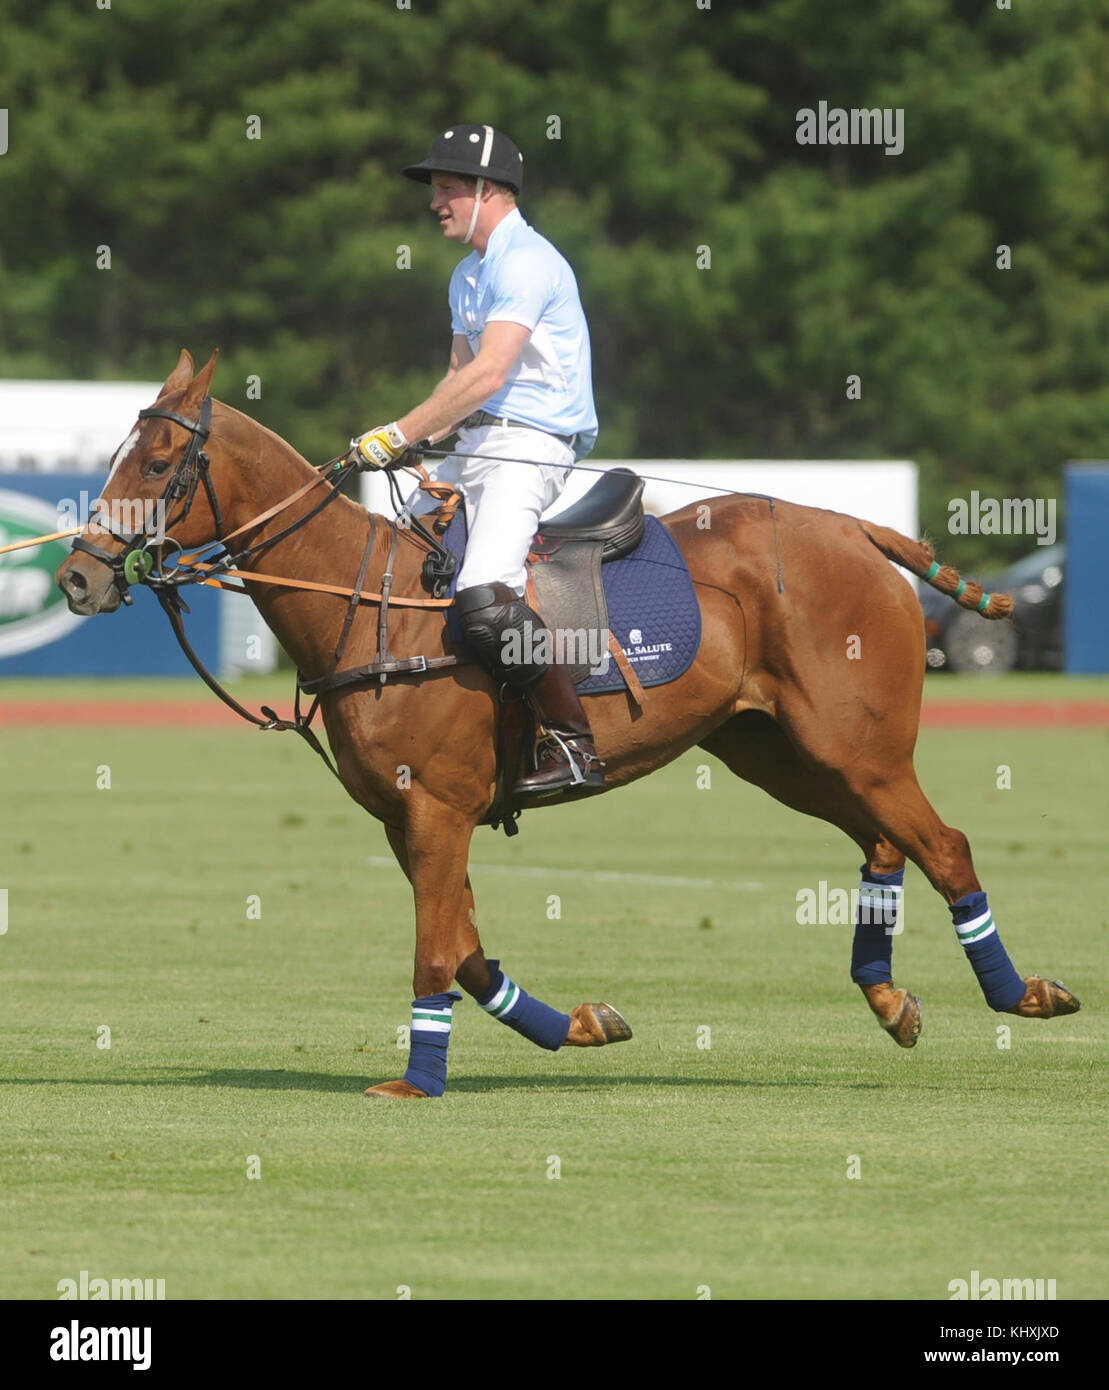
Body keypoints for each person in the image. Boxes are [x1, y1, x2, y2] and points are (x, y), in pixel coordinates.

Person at [348, 123, 603, 798]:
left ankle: (573, 745)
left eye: (448, 189)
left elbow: (489, 373)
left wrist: (395, 432)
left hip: (531, 443)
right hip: (476, 446)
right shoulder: (467, 275)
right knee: (399, 568)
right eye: (435, 190)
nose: (436, 203)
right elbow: (454, 385)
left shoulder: (527, 262)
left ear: (489, 190)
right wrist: (420, 446)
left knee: (485, 596)